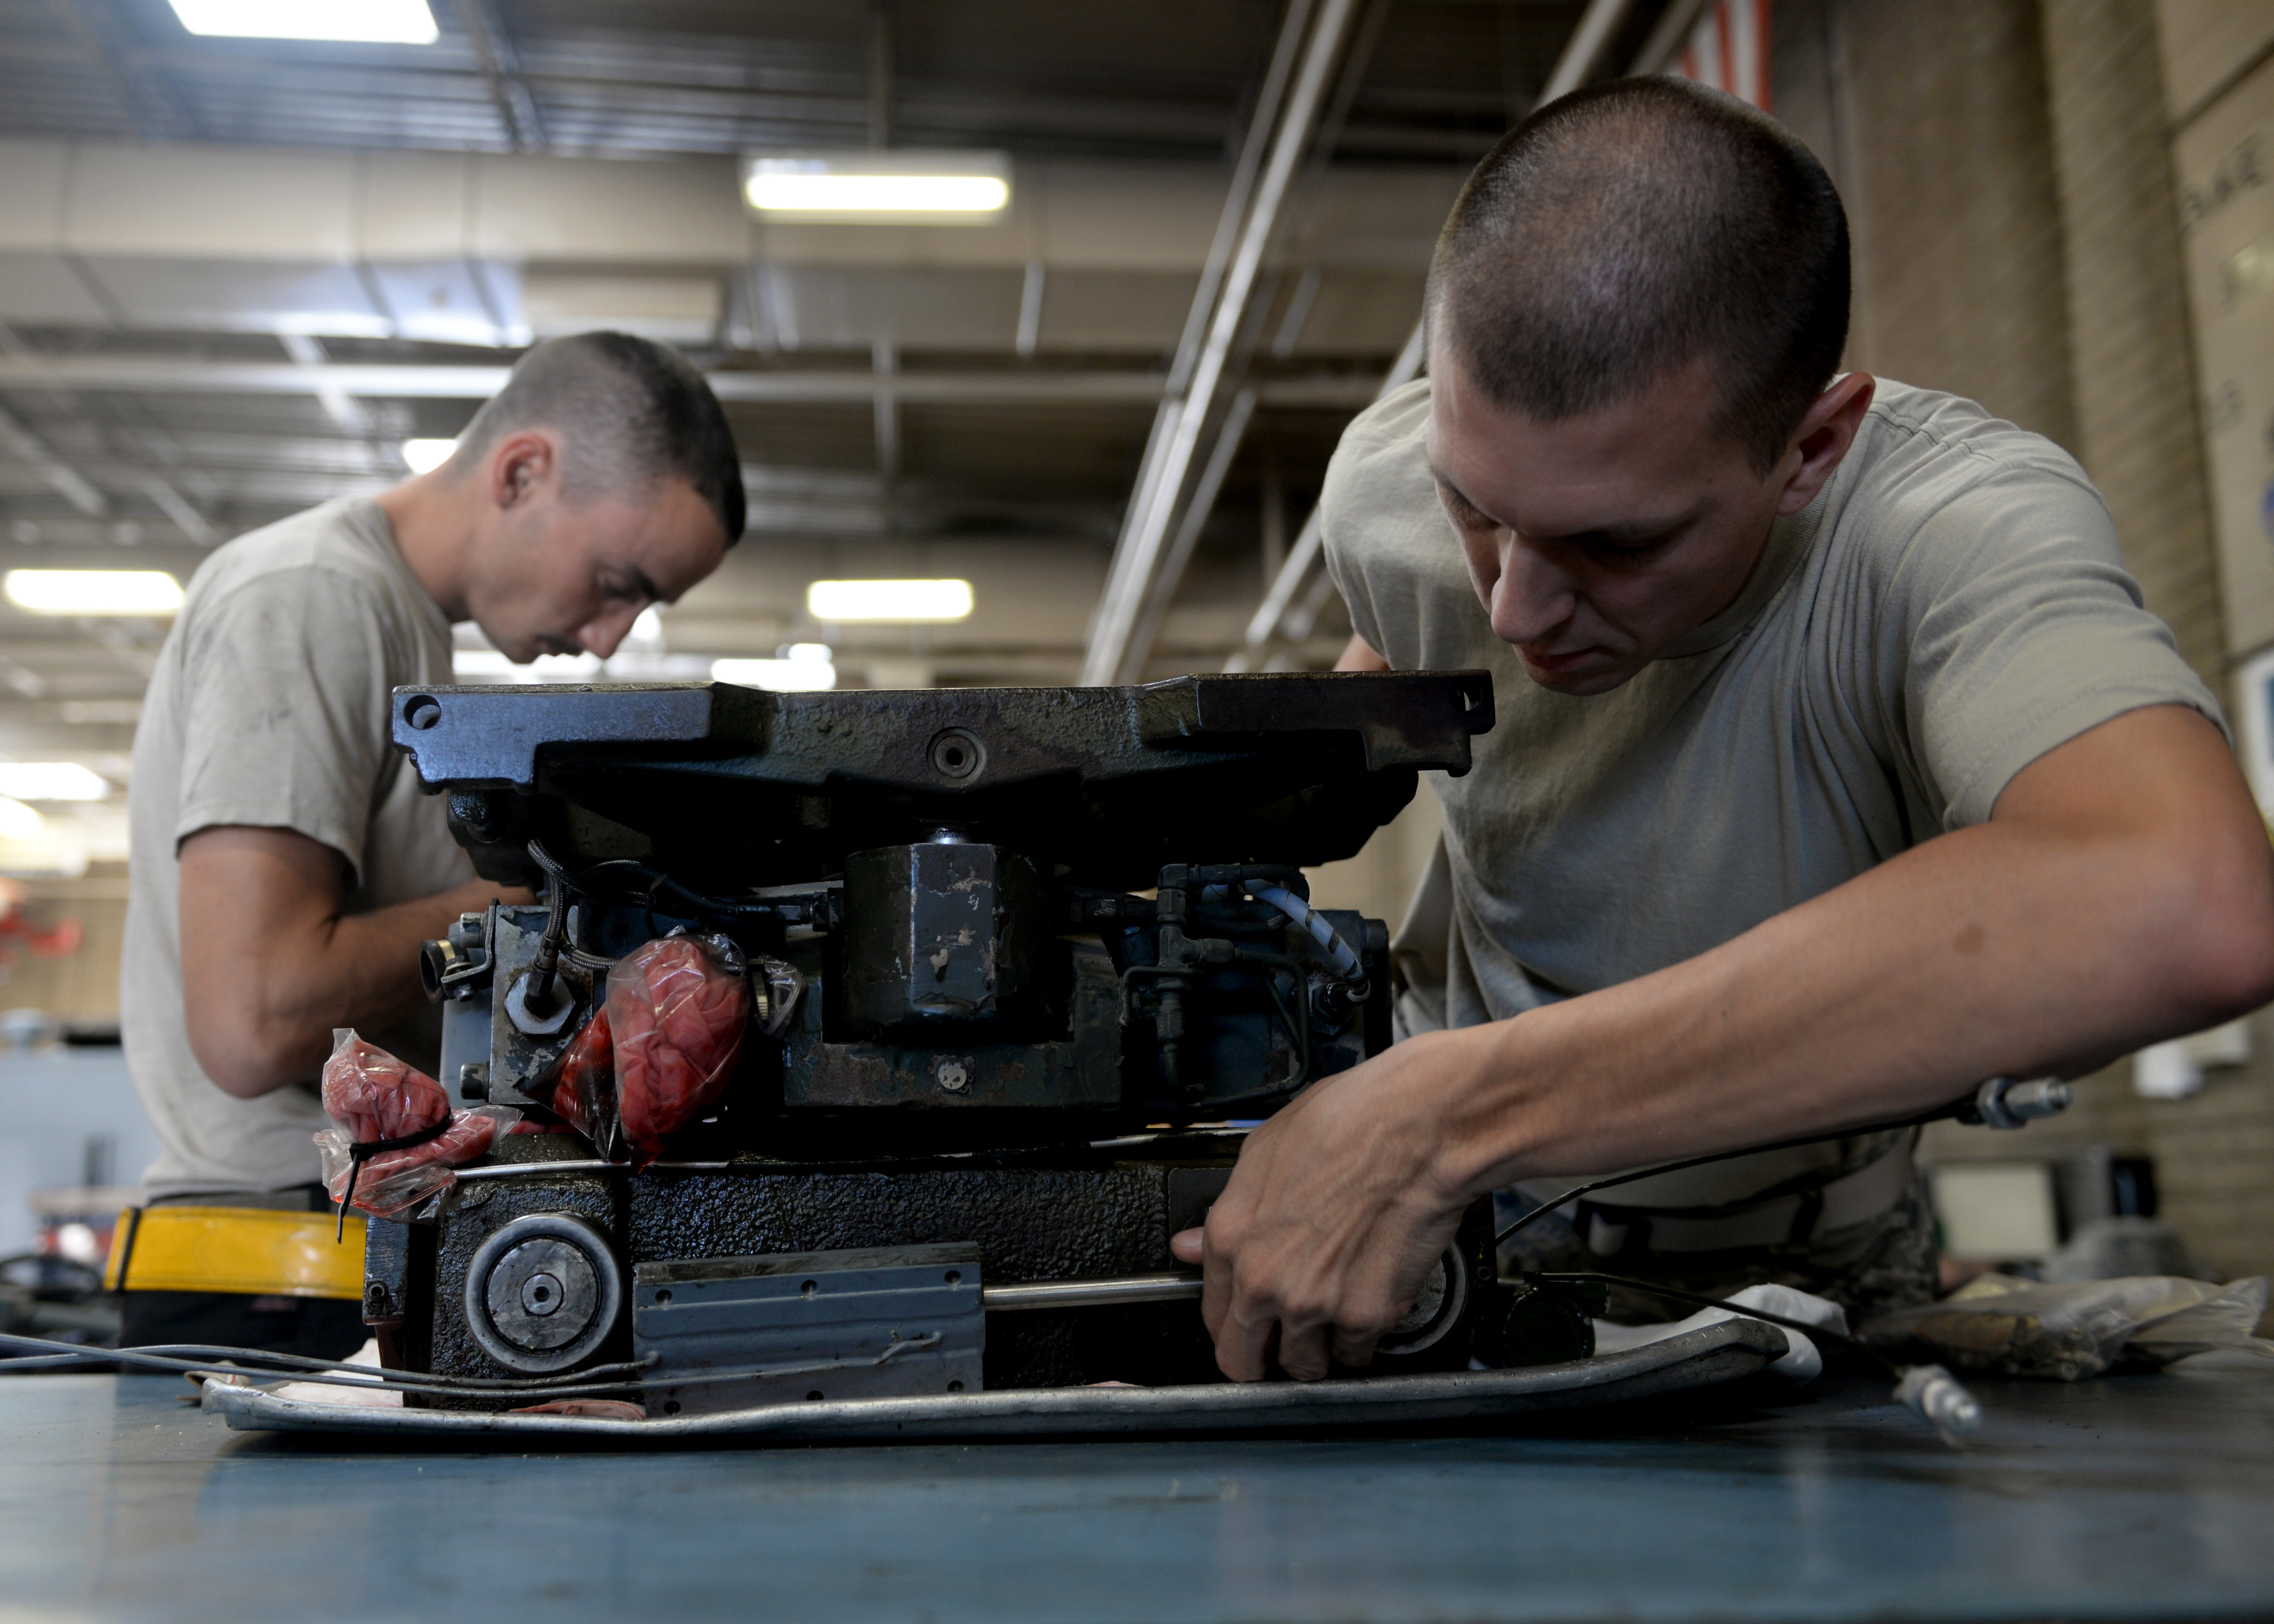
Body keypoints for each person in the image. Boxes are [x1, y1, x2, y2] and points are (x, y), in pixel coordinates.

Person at [1170, 79, 2274, 1382]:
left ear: (1810, 447)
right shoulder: (1383, 487)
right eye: (1476, 506)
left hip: (1811, 1260)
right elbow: (1392, 671)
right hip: (1455, 1244)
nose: (1513, 604)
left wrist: (1446, 1113)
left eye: (1614, 542)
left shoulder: (1944, 528)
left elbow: (2179, 899)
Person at [117, 332, 744, 1356]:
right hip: (281, 1279)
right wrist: (512, 922)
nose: (610, 637)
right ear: (522, 471)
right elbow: (252, 1018)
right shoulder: (312, 597)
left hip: (346, 1245)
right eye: (616, 580)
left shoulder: (399, 624)